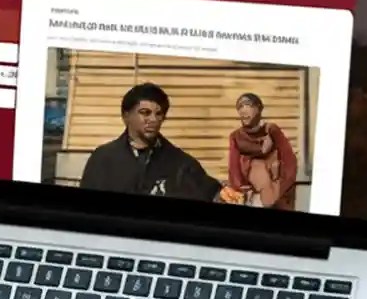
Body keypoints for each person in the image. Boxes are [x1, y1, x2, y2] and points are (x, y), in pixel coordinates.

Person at [80, 83, 224, 201]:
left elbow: (213, 194)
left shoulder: (181, 164)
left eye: (159, 114)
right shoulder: (103, 159)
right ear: (126, 116)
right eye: (145, 113)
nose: (153, 120)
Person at [227, 92, 297, 210]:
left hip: (277, 189)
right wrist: (242, 190)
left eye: (248, 105)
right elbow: (234, 168)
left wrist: (282, 187)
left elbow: (288, 159)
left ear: (259, 108)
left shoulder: (271, 130)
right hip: (251, 192)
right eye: (240, 107)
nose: (243, 110)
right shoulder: (236, 136)